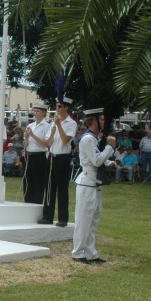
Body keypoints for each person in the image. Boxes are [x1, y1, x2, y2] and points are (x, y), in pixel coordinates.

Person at [71, 108, 116, 264]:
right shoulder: (88, 139)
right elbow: (96, 160)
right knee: (84, 220)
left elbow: (96, 160)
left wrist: (110, 163)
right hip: (87, 182)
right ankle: (77, 252)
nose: (104, 122)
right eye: (101, 119)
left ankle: (90, 252)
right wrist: (110, 147)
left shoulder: (93, 138)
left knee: (93, 220)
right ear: (95, 120)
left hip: (94, 183)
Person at [40, 97, 78, 226]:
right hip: (52, 156)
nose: (57, 109)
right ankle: (47, 216)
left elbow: (66, 140)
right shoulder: (53, 122)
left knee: (62, 189)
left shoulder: (71, 123)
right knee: (50, 187)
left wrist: (59, 126)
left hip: (63, 157)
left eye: (60, 106)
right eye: (57, 106)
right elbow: (48, 143)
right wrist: (51, 133)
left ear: (66, 108)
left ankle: (63, 218)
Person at [23, 103, 50, 204]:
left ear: (43, 113)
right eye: (34, 111)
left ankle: (37, 204)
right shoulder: (30, 125)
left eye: (37, 111)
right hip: (29, 155)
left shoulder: (47, 126)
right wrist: (26, 137)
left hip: (40, 156)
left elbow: (46, 144)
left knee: (38, 183)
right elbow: (25, 145)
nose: (35, 113)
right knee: (28, 182)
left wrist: (33, 135)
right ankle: (27, 203)